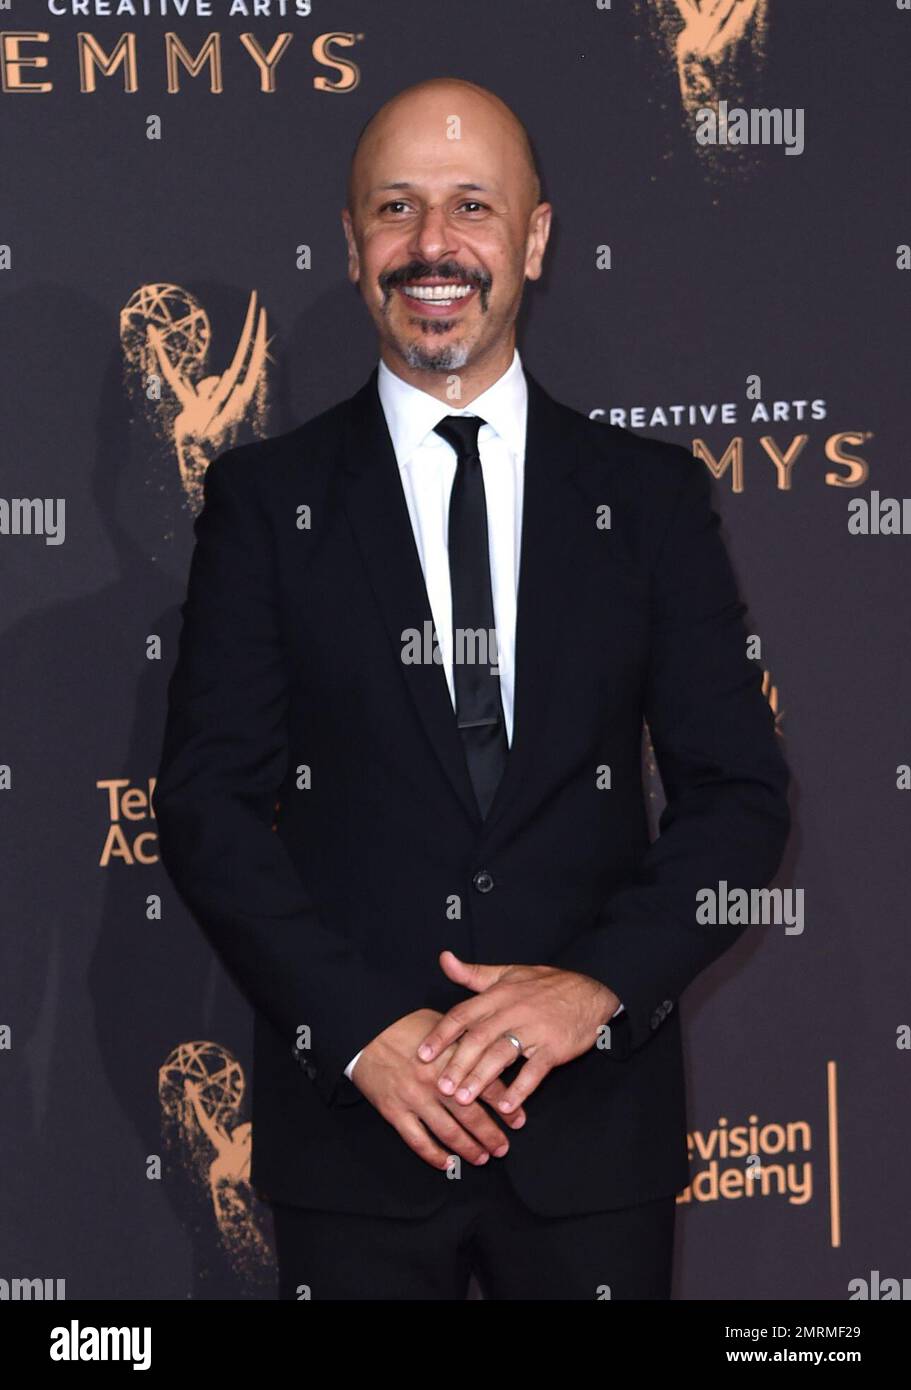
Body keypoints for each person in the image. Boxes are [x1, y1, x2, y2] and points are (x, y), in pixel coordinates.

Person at [154, 76, 790, 1300]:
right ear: (350, 244)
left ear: (534, 238)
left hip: (590, 1135)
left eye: (470, 208)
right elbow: (208, 805)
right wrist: (358, 1034)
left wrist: (592, 990)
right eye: (395, 209)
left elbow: (739, 797)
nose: (431, 246)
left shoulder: (647, 501)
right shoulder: (264, 503)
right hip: (355, 1140)